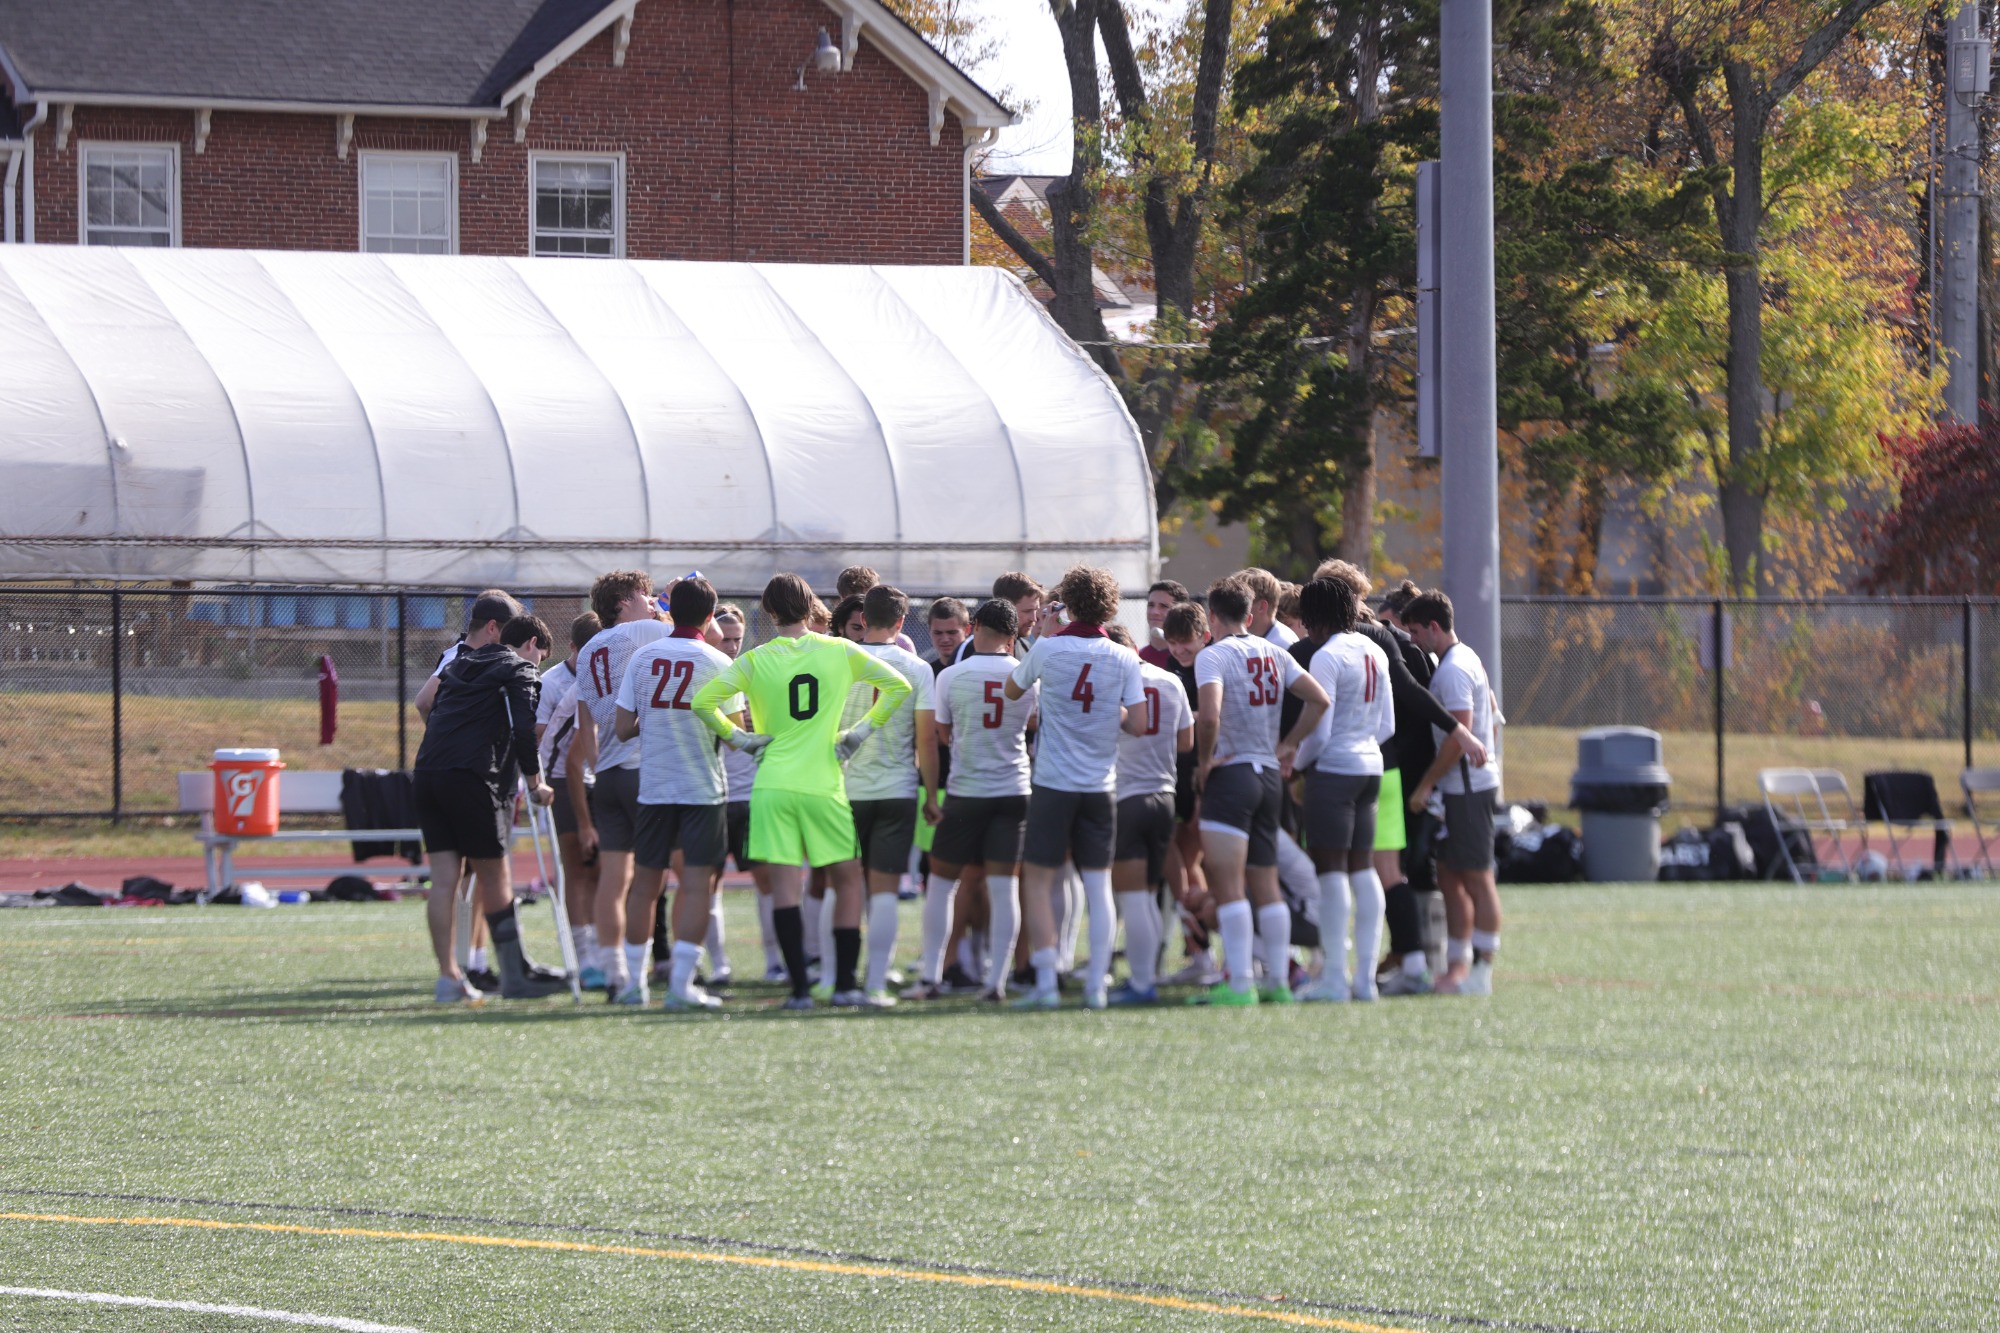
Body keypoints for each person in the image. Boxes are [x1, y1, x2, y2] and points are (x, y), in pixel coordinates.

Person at [690, 573, 913, 1009]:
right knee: (848, 881)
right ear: (811, 606)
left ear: (769, 612)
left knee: (785, 888)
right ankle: (844, 985)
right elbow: (898, 687)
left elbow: (702, 703)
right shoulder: (840, 650)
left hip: (772, 784)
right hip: (823, 782)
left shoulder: (755, 659)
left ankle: (798, 991)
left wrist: (741, 740)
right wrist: (857, 734)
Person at [1001, 565, 1147, 1010]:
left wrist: (1045, 637)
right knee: (1098, 886)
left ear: (1068, 602)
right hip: (1100, 785)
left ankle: (1046, 984)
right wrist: (1104, 710)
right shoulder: (1124, 657)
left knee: (1039, 882)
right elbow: (1139, 723)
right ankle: (1096, 986)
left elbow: (1012, 690)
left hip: (1053, 782)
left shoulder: (1050, 647)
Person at [1189, 576, 1327, 1005]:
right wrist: (1288, 745)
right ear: (1250, 616)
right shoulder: (1276, 652)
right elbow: (1320, 700)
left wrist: (1204, 761)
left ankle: (1240, 985)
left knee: (1229, 886)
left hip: (1232, 775)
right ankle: (1279, 983)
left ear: (1212, 616)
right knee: (1267, 885)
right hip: (1268, 777)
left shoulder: (1213, 655)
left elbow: (1208, 716)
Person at [416, 615, 563, 1002]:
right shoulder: (520, 669)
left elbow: (428, 704)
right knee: (495, 875)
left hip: (428, 773)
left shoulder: (462, 662)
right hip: (474, 778)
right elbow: (523, 730)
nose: (539, 666)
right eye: (541, 658)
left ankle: (449, 978)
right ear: (532, 644)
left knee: (444, 879)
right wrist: (536, 783)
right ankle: (515, 976)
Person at [612, 575, 739, 1011]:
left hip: (654, 788)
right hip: (703, 789)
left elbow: (622, 728)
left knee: (645, 886)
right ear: (710, 616)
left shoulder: (643, 657)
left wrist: (658, 718)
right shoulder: (719, 662)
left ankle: (634, 985)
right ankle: (682, 986)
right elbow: (736, 734)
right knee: (698, 885)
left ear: (668, 610)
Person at [914, 597, 1036, 1000]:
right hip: (1014, 789)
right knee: (1004, 888)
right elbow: (1032, 724)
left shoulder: (951, 675)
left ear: (974, 626)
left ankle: (931, 977)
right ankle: (996, 982)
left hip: (967, 791)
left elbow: (943, 735)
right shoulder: (1024, 674)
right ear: (1012, 634)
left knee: (941, 885)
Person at [569, 570, 670, 997]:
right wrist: (669, 604)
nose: (652, 602)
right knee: (650, 880)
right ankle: (640, 975)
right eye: (645, 596)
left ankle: (614, 974)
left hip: (608, 774)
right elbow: (693, 633)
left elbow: (585, 725)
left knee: (613, 880)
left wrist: (598, 767)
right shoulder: (641, 630)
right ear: (624, 602)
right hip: (639, 769)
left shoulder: (589, 647)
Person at [1292, 577, 1393, 1002]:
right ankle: (1364, 980)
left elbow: (1320, 729)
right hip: (1371, 766)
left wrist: (1295, 764)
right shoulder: (1375, 650)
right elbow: (1387, 724)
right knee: (1362, 868)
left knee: (1331, 871)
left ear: (1316, 618)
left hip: (1334, 770)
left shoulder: (1327, 656)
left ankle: (1335, 978)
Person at [838, 584, 938, 1005]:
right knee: (883, 893)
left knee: (844, 888)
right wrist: (931, 795)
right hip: (897, 790)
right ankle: (875, 983)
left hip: (845, 789)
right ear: (901, 621)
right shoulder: (917, 668)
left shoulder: (842, 660)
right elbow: (927, 740)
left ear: (863, 619)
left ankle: (836, 979)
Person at [1402, 590, 1503, 996]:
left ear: (1434, 627)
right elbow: (1492, 719)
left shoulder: (1455, 668)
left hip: (1468, 789)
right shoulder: (1460, 660)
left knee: (1477, 876)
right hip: (1457, 788)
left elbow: (1458, 735)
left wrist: (1427, 783)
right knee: (1448, 875)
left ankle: (1482, 970)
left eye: (1415, 631)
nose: (1412, 640)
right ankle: (1457, 966)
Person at [1104, 623, 1192, 1005]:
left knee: (1133, 898)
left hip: (1129, 796)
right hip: (1164, 795)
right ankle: (1148, 974)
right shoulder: (1171, 681)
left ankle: (1142, 983)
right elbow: (1186, 742)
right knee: (1150, 894)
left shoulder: (1113, 682)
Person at [536, 611, 601, 983]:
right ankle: (585, 958)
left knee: (601, 870)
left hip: (592, 779)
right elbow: (544, 742)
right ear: (574, 648)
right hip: (560, 779)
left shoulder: (606, 677)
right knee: (577, 868)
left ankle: (603, 951)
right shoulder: (555, 683)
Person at [1158, 600, 1218, 986]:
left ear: (1204, 637)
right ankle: (1199, 951)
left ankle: (1205, 951)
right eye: (1173, 643)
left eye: (1187, 643)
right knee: (1178, 864)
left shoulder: (1210, 666)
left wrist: (1202, 787)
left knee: (1189, 867)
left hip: (1200, 778)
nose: (1180, 650)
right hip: (1173, 775)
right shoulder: (1171, 667)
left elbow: (1212, 721)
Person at [415, 589, 520, 721]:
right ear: (491, 626)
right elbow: (424, 701)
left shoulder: (488, 657)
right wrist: (441, 729)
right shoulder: (457, 656)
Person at [1236, 567, 1299, 650]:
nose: (1234, 607)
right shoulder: (1241, 638)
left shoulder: (1284, 645)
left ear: (1262, 606)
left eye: (1242, 602)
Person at [1139, 580, 1189, 670]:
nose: (1155, 612)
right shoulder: (1138, 657)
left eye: (1163, 606)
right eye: (1151, 605)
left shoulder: (1188, 658)